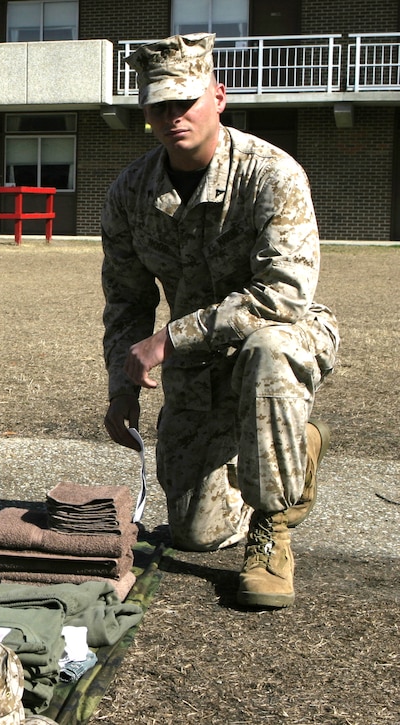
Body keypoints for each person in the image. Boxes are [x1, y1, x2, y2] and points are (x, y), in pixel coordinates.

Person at [100, 32, 340, 608]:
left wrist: (171, 337)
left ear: (218, 97)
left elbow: (283, 294)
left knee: (268, 350)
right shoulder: (131, 191)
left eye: (185, 102)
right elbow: (127, 300)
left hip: (286, 335)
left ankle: (272, 533)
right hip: (197, 365)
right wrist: (121, 388)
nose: (173, 117)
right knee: (196, 533)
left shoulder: (272, 174)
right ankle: (289, 446)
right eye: (158, 105)